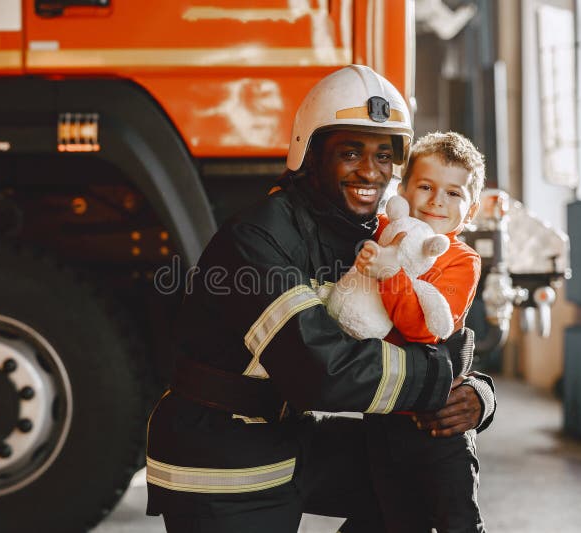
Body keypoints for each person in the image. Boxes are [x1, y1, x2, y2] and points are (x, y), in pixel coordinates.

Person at [145, 65, 496, 533]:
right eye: (350, 152)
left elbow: (429, 330)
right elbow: (320, 370)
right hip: (223, 456)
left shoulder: (362, 231)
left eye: (384, 155)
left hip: (291, 432)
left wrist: (477, 396)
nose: (371, 171)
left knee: (423, 475)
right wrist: (438, 381)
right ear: (309, 154)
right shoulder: (258, 238)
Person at [356, 131, 487, 532]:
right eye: (426, 187)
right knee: (398, 520)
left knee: (457, 522)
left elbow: (421, 329)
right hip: (384, 416)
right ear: (403, 191)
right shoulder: (383, 234)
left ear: (470, 211)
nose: (436, 201)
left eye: (453, 194)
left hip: (439, 422)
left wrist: (388, 272)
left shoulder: (461, 260)